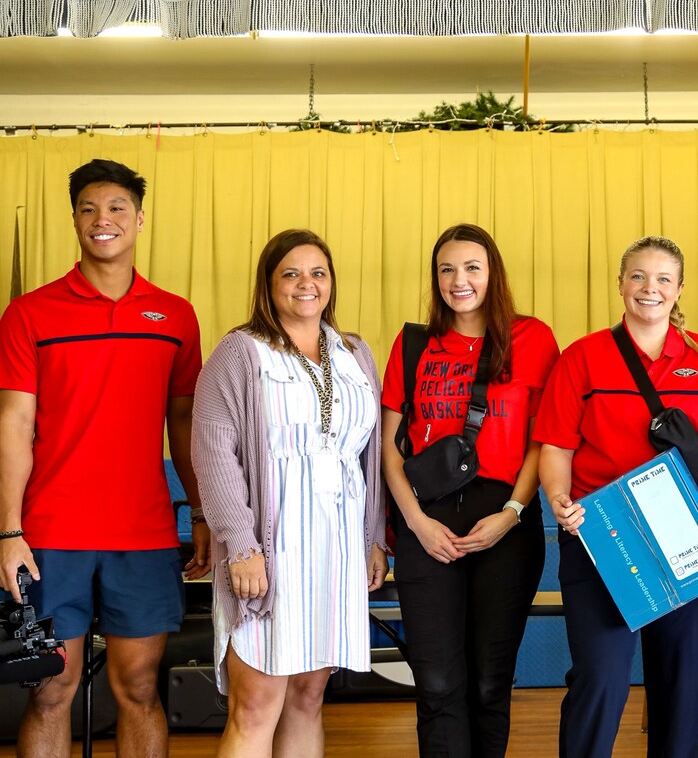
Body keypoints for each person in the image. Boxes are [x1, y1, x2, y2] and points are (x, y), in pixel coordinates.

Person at [0, 158, 206, 758]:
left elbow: (186, 423)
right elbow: (14, 423)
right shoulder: (29, 313)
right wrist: (8, 530)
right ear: (74, 220)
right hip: (50, 534)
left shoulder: (175, 315)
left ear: (139, 219)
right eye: (88, 209)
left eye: (117, 207)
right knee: (50, 692)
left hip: (143, 534)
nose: (102, 219)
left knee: (139, 689)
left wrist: (201, 513)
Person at [536, 235, 698, 758]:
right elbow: (557, 446)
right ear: (620, 283)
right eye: (638, 276)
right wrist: (558, 498)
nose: (649, 289)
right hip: (601, 535)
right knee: (599, 681)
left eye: (662, 279)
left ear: (679, 289)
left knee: (680, 691)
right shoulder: (581, 357)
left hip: (688, 537)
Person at [191, 228, 388, 758]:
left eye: (318, 273)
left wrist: (373, 538)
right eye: (291, 273)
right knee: (256, 706)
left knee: (307, 698)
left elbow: (368, 459)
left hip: (337, 551)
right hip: (269, 553)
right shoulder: (240, 352)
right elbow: (213, 454)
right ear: (268, 283)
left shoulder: (354, 353)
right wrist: (241, 545)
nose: (307, 284)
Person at [381, 223, 560, 758]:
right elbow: (390, 446)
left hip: (504, 519)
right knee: (437, 684)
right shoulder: (414, 343)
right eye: (447, 269)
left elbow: (542, 440)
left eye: (472, 268)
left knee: (487, 682)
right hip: (426, 519)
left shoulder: (533, 338)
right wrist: (416, 523)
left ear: (492, 274)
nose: (459, 280)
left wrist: (512, 512)